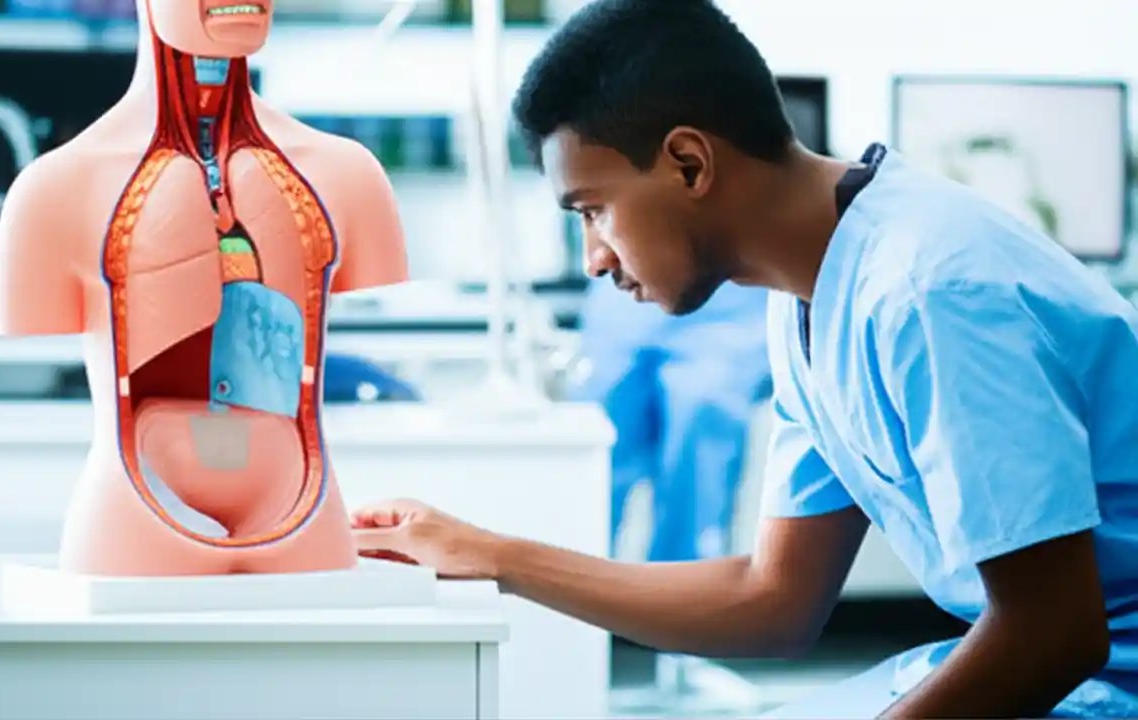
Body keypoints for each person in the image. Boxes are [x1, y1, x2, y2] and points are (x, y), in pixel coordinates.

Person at [350, 0, 1138, 716]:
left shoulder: (927, 290)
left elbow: (1055, 635)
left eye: (593, 211)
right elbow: (776, 599)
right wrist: (490, 555)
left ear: (689, 163)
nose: (592, 257)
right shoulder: (807, 297)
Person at [573, 276, 769, 565]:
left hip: (728, 305)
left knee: (697, 469)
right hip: (624, 300)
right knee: (592, 460)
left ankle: (681, 598)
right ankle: (570, 591)